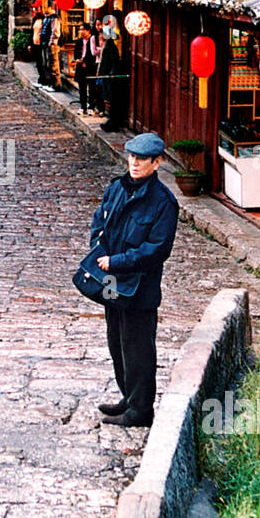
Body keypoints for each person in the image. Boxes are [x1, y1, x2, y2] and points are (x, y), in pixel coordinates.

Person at [88, 133, 179, 427]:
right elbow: (99, 222)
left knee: (138, 346)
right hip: (113, 282)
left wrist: (118, 261)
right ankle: (129, 396)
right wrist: (99, 251)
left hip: (140, 285)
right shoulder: (116, 188)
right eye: (132, 157)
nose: (135, 163)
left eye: (142, 159)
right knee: (116, 339)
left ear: (157, 162)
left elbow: (157, 249)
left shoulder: (163, 202)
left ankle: (141, 410)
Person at [98, 20, 127, 131]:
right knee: (108, 99)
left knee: (113, 100)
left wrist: (112, 73)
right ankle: (111, 121)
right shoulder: (107, 45)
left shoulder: (111, 47)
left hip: (111, 77)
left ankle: (114, 123)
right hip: (106, 76)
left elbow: (114, 61)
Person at [75, 24, 100, 115]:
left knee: (92, 87)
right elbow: (76, 54)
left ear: (88, 30)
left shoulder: (93, 40)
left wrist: (86, 61)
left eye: (83, 30)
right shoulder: (79, 41)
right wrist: (79, 60)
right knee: (82, 87)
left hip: (91, 66)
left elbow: (94, 53)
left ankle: (91, 106)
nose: (81, 32)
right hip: (80, 66)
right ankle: (82, 106)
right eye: (80, 30)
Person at [34, 6, 59, 87]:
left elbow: (55, 32)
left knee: (52, 64)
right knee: (45, 63)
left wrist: (51, 42)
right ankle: (47, 82)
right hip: (44, 43)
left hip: (50, 44)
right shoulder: (46, 18)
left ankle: (55, 84)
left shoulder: (54, 18)